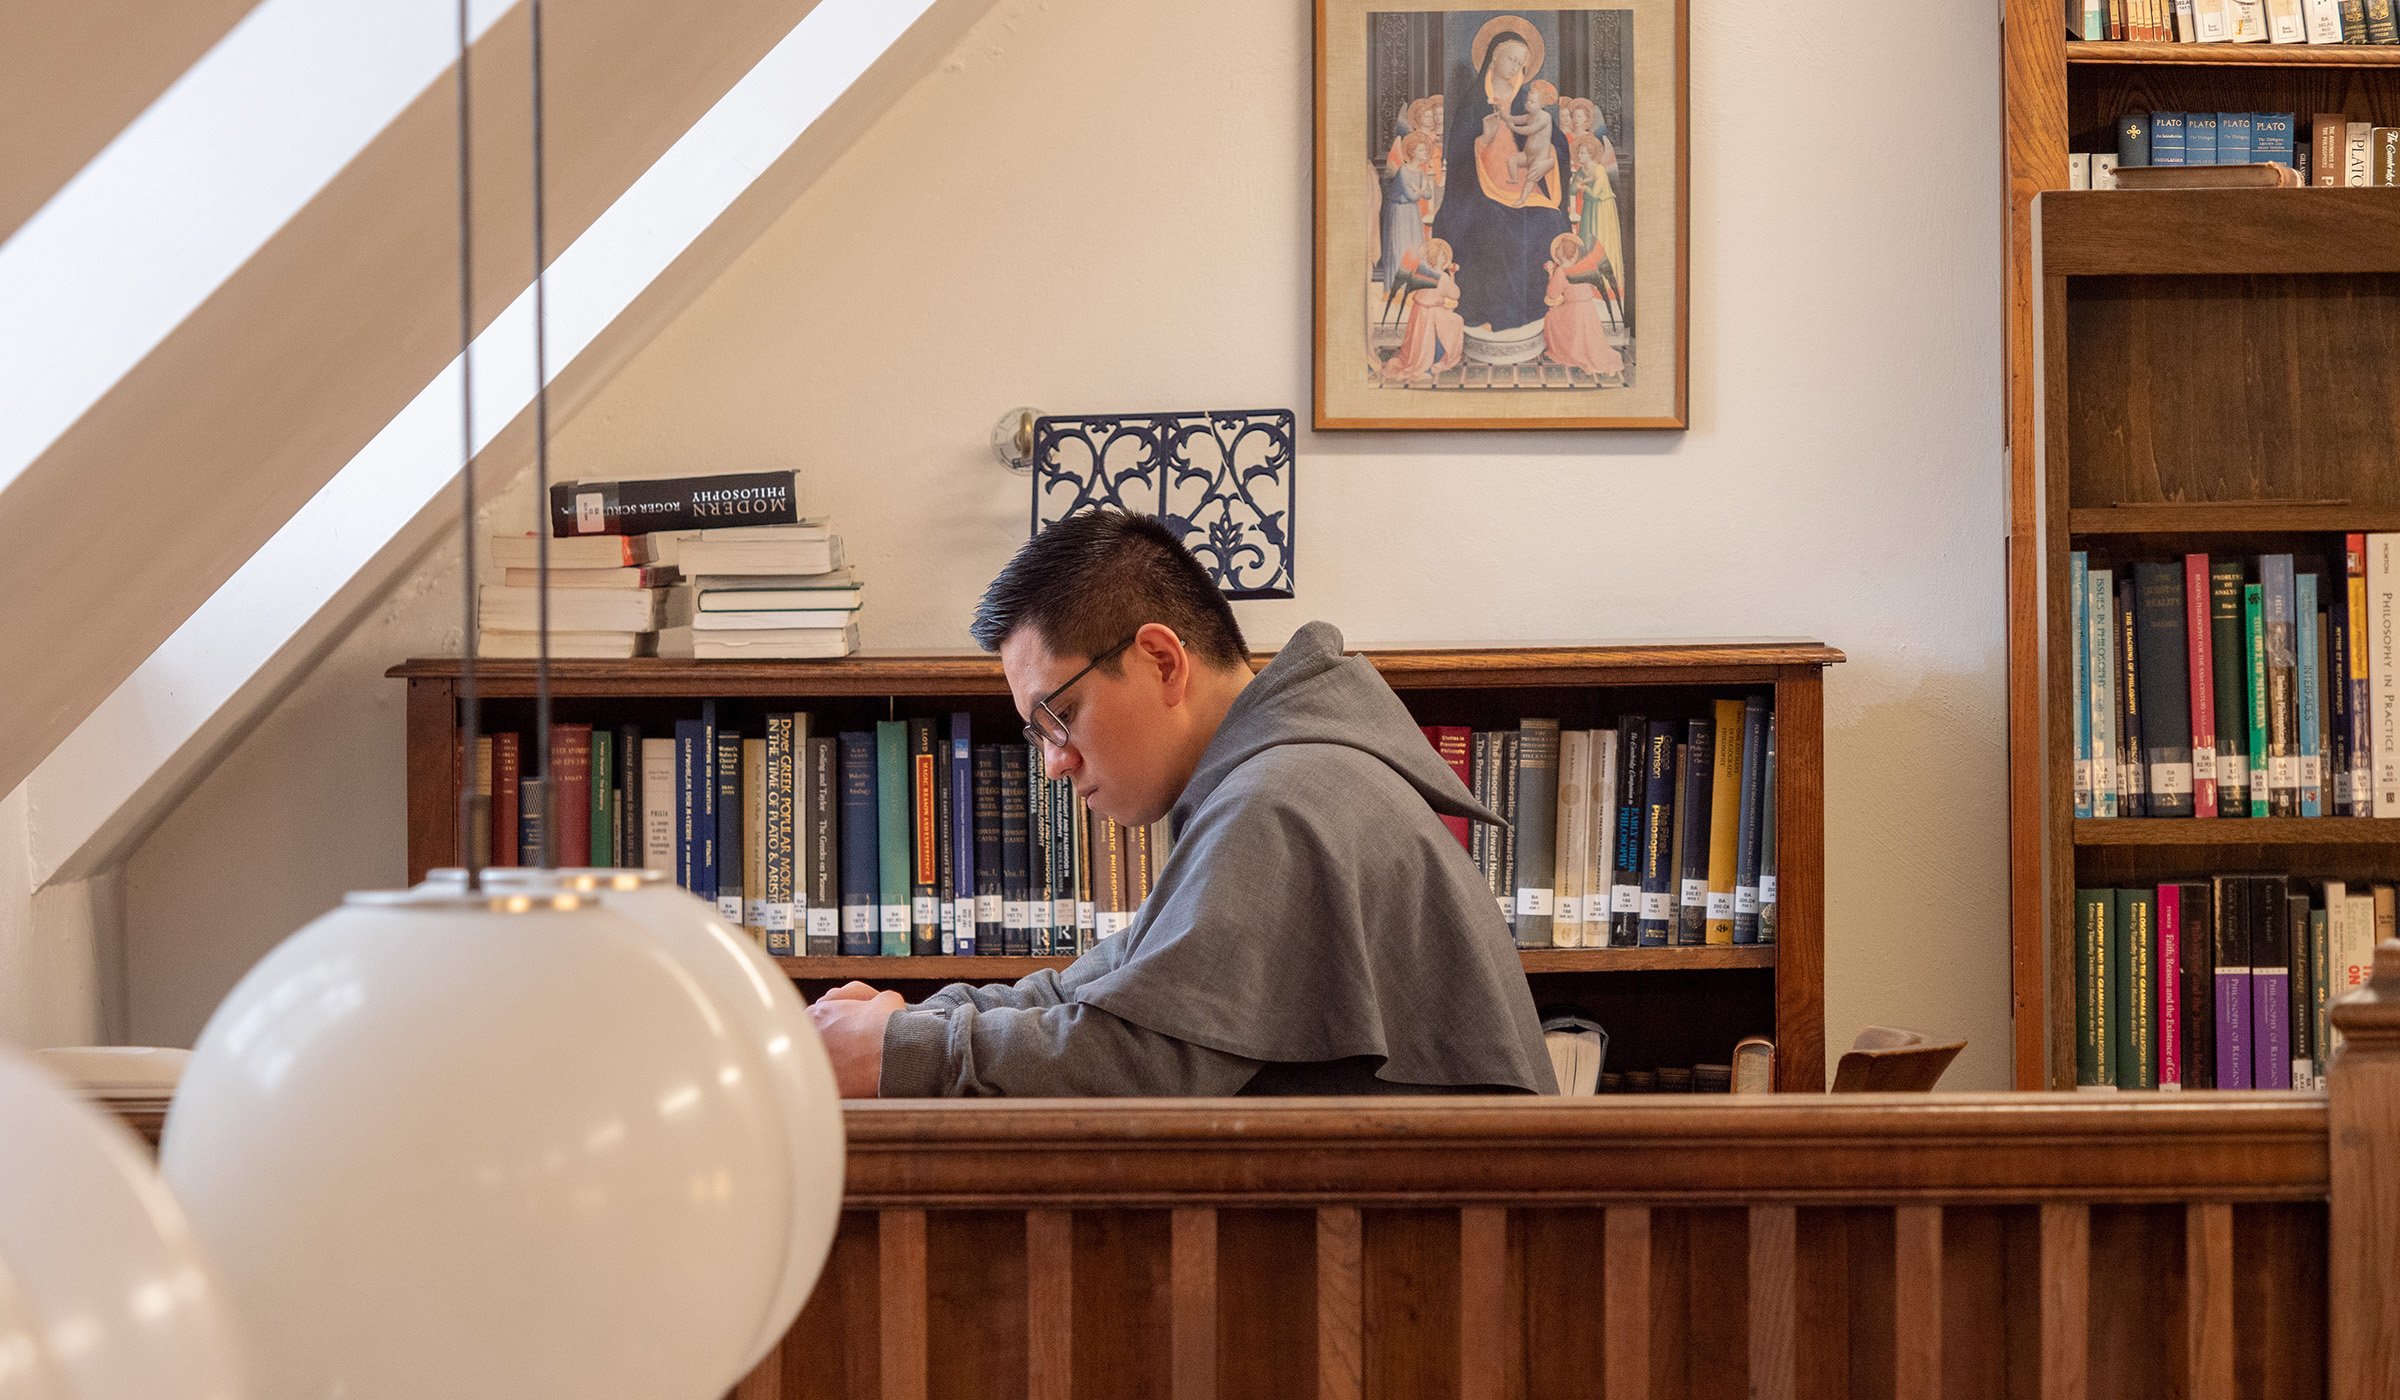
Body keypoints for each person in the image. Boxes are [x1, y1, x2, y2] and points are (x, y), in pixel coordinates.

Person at [806, 510, 1553, 1097]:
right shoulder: (1274, 774)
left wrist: (897, 1052)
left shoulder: (1280, 799)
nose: (1056, 762)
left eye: (1058, 717)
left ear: (1162, 661)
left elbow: (1145, 1058)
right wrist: (909, 1022)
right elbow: (1096, 987)